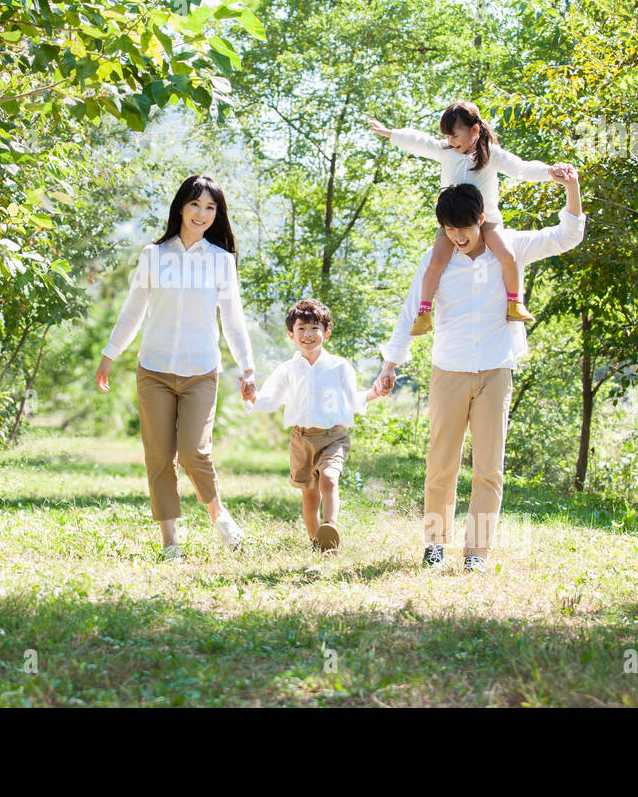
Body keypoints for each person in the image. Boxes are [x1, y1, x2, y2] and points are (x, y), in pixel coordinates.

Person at [373, 169, 587, 573]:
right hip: (449, 370)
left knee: (489, 468)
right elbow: (408, 314)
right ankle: (434, 546)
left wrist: (572, 188)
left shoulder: (511, 248)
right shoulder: (436, 261)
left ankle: (477, 555)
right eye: (449, 229)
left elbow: (567, 236)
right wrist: (390, 365)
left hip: (495, 370)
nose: (458, 237)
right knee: (441, 464)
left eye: (464, 228)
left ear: (482, 218)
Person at [96, 174, 256, 562]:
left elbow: (233, 319)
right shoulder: (155, 255)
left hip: (202, 369)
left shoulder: (221, 260)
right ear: (181, 207)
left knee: (193, 452)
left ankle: (220, 519)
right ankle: (171, 543)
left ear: (217, 214)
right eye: (195, 205)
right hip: (154, 368)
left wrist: (247, 368)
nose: (202, 214)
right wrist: (110, 353)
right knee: (159, 456)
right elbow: (133, 308)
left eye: (210, 207)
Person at [367, 101, 575, 335]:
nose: (451, 142)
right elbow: (419, 142)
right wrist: (390, 133)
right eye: (447, 137)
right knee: (436, 262)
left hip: (486, 219)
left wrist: (548, 172)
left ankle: (515, 302)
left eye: (454, 136)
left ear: (474, 130)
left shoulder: (491, 154)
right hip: (454, 220)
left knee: (507, 255)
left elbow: (521, 169)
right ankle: (424, 313)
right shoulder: (446, 151)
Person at [244, 299, 381, 554]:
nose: (308, 334)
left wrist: (374, 393)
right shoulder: (288, 369)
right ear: (291, 335)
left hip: (333, 436)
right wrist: (250, 395)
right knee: (309, 496)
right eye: (301, 329)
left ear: (326, 333)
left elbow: (353, 399)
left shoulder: (339, 366)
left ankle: (330, 527)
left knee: (329, 479)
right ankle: (318, 545)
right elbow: (269, 399)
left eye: (314, 328)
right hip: (302, 438)